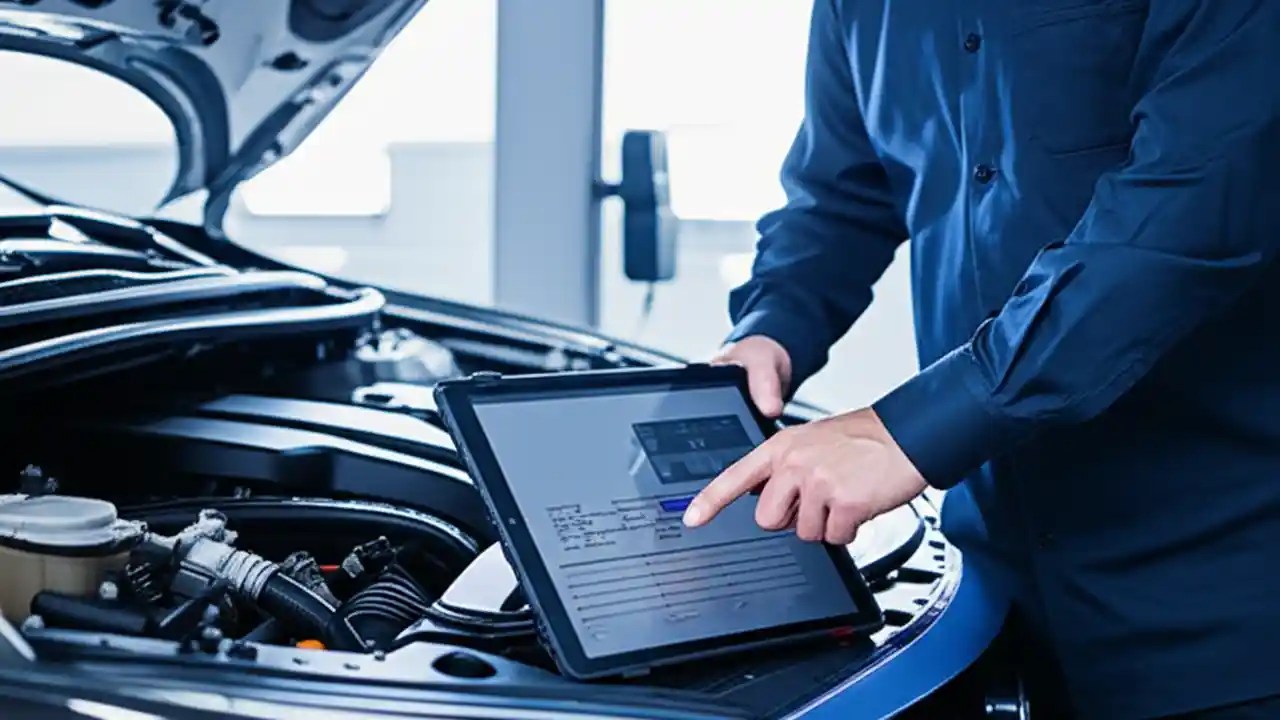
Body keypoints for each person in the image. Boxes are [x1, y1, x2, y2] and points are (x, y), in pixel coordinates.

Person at [680, 1, 1280, 718]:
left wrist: (899, 432)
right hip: (989, 598)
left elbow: (1180, 222)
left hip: (1223, 603)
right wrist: (770, 330)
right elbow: (840, 192)